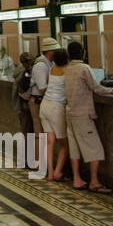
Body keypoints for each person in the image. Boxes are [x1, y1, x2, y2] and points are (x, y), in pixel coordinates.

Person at [64, 42, 113, 193]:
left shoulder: (67, 69)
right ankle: (94, 181)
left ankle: (76, 178)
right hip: (82, 115)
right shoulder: (83, 68)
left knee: (74, 149)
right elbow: (97, 89)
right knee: (95, 149)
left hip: (69, 114)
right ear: (83, 53)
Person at [28, 38, 60, 180]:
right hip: (37, 102)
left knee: (44, 135)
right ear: (50, 51)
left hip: (43, 103)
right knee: (39, 133)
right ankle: (38, 163)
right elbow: (42, 89)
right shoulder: (41, 65)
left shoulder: (50, 63)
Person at [40, 47, 71, 181]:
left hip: (44, 106)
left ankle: (50, 173)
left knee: (49, 142)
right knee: (65, 144)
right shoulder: (67, 71)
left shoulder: (52, 69)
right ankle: (58, 172)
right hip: (56, 109)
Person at [13, 52, 35, 138]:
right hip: (26, 107)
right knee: (29, 132)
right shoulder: (26, 73)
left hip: (21, 107)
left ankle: (28, 150)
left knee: (26, 132)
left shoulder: (19, 72)